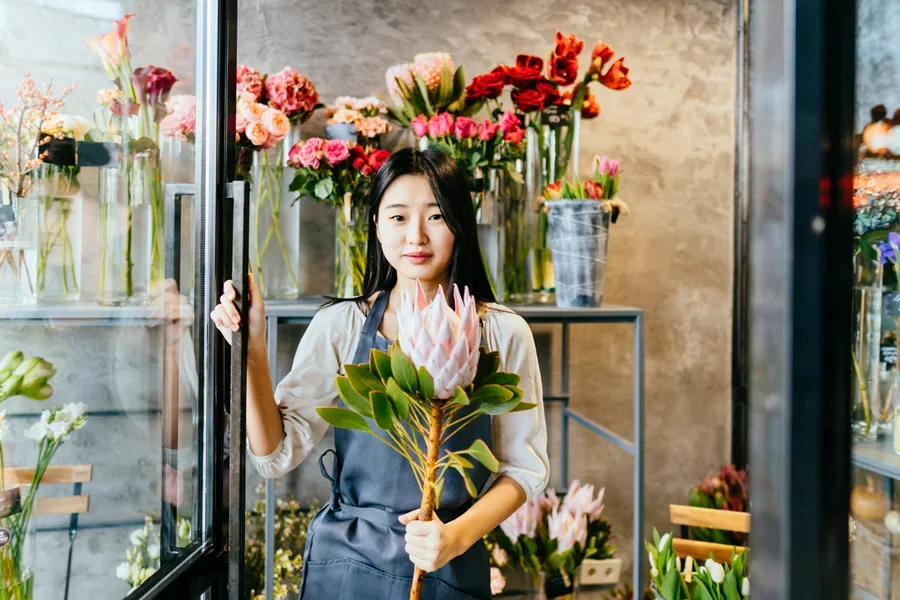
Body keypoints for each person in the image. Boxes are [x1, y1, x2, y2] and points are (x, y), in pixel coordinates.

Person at [210, 147, 549, 599]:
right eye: (398, 217)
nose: (416, 236)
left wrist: (455, 538)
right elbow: (276, 454)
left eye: (436, 216)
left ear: (460, 224)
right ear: (375, 225)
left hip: (448, 564)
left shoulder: (503, 333)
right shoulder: (341, 325)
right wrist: (252, 348)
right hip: (346, 564)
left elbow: (523, 469)